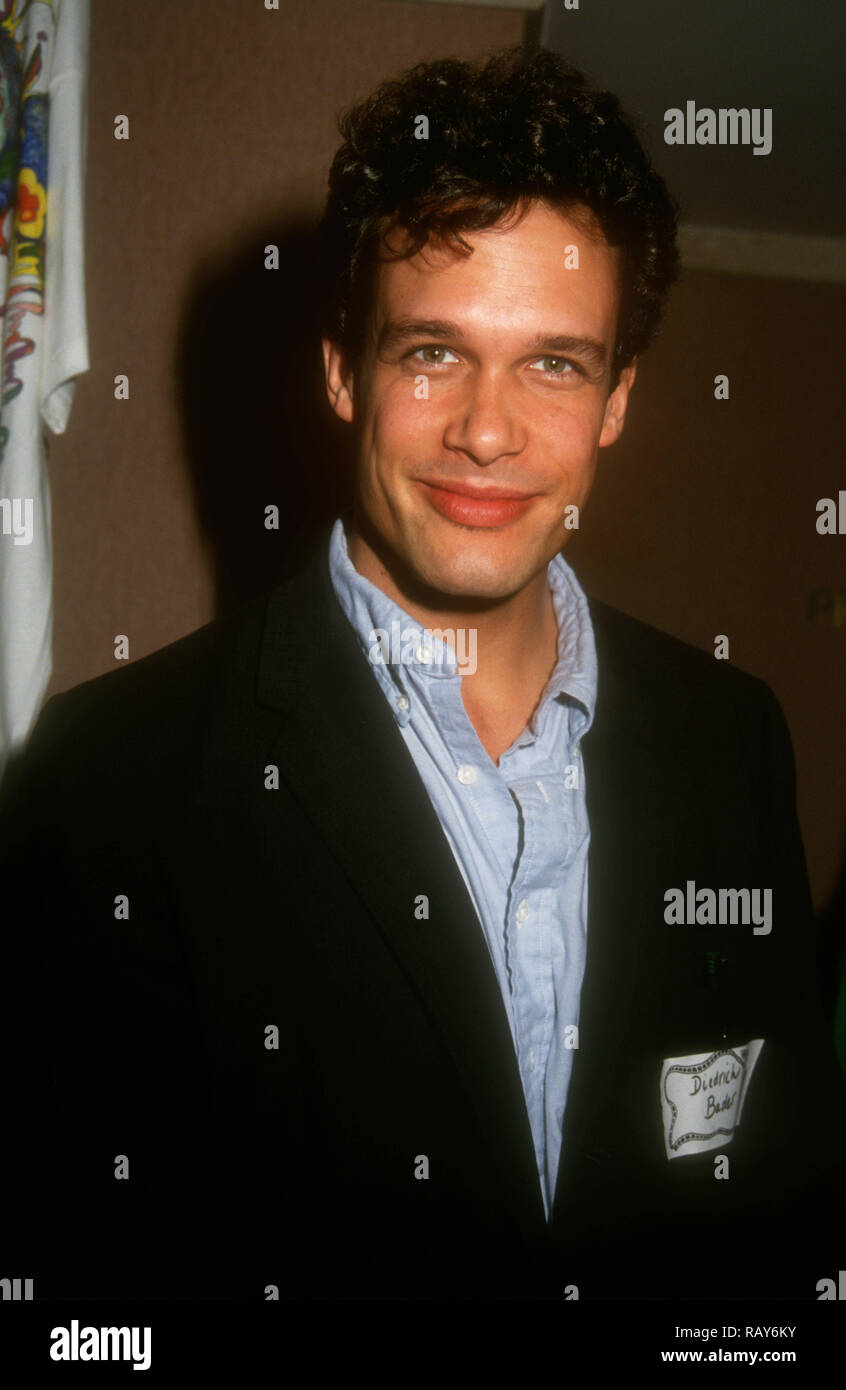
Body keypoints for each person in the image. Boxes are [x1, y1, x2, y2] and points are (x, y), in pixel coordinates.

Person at [1, 46, 844, 1303]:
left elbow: (769, 1213)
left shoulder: (734, 739)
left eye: (555, 363)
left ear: (616, 398)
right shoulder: (107, 782)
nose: (489, 432)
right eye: (434, 352)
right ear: (345, 370)